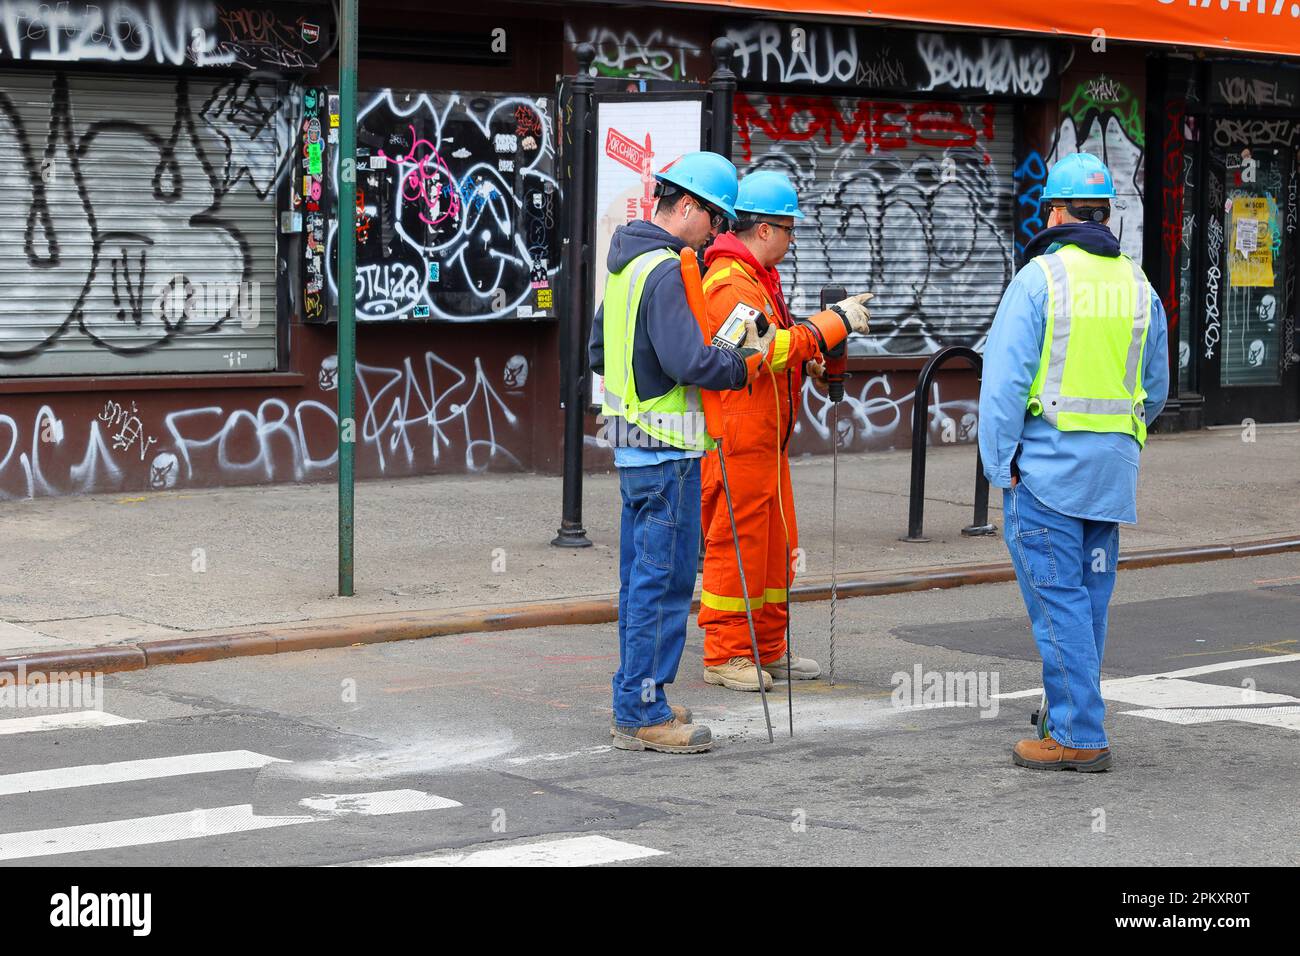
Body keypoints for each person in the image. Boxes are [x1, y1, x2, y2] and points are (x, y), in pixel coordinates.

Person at [979, 152, 1169, 772]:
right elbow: (1157, 388)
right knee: (1086, 602)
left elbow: (1004, 384)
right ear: (1107, 214)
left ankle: (1079, 736)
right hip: (1111, 477)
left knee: (1057, 601)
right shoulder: (1141, 287)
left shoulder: (1040, 280)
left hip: (1048, 475)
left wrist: (998, 462)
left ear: (1055, 212)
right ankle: (1064, 711)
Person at [588, 151, 772, 754]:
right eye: (716, 219)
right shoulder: (666, 269)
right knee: (663, 586)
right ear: (687, 206)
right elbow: (688, 362)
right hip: (667, 452)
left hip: (632, 446)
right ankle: (643, 711)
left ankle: (639, 695)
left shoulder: (626, 264)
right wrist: (741, 361)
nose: (719, 233)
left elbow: (598, 350)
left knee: (640, 581)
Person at [697, 170, 873, 692]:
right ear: (765, 230)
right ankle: (726, 653)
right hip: (737, 443)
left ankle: (767, 647)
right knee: (736, 547)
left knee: (775, 549)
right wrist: (831, 324)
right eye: (789, 229)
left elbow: (776, 349)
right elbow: (762, 351)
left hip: (765, 445)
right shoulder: (729, 284)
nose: (793, 241)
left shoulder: (756, 281)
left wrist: (810, 365)